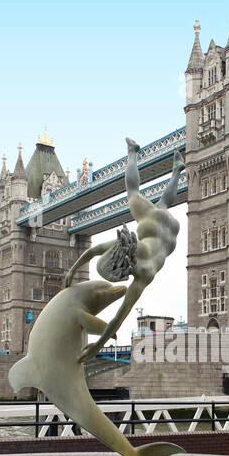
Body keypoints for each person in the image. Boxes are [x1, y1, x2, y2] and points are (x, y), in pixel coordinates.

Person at [64, 137, 184, 362]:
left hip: (170, 237)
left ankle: (174, 168)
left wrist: (97, 346)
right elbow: (95, 250)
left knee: (159, 203)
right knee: (133, 193)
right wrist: (73, 269)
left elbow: (119, 318)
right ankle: (133, 153)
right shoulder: (128, 247)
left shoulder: (142, 275)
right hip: (153, 222)